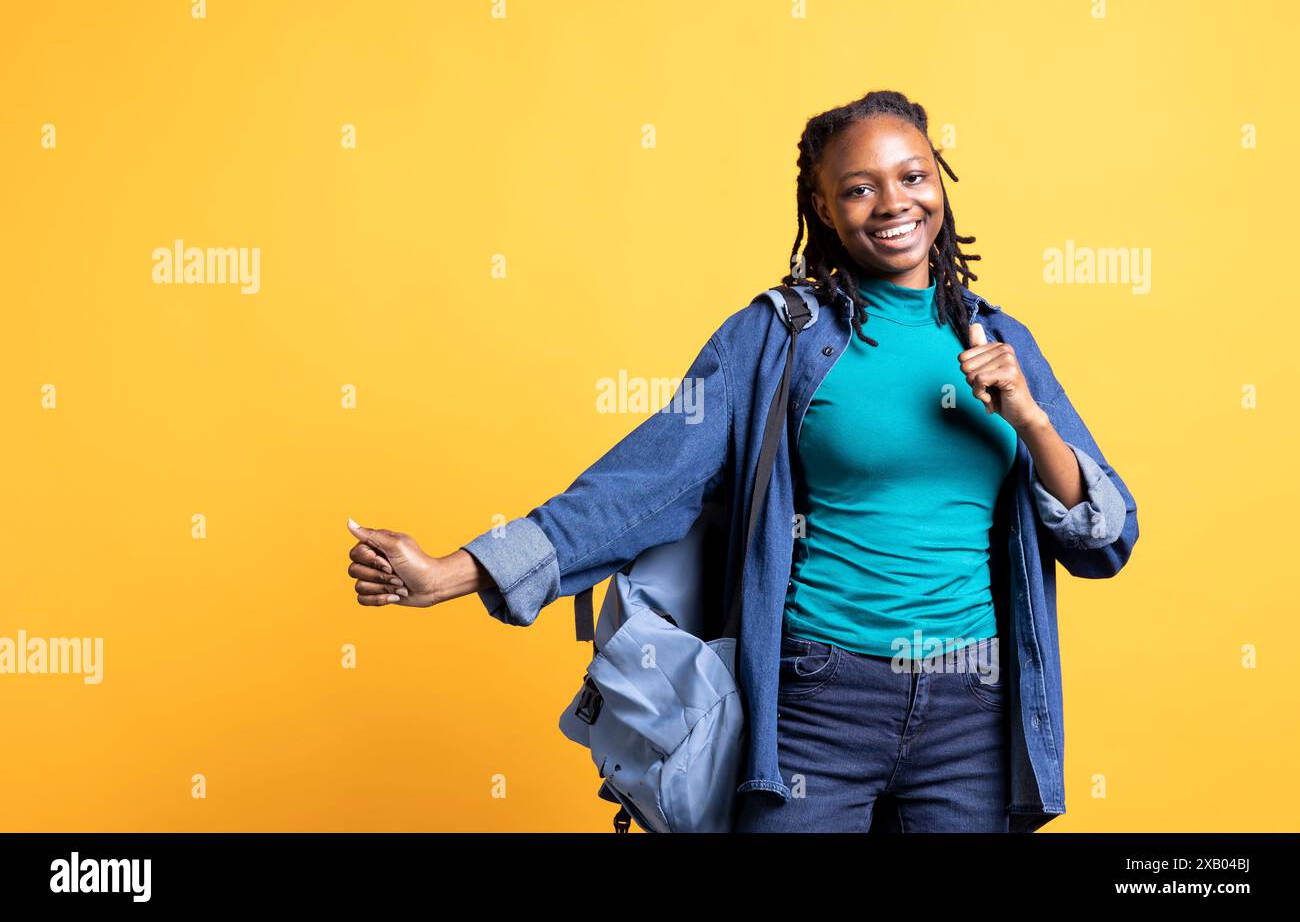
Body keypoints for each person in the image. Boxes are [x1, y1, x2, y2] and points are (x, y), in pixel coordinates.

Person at [345, 89, 1138, 832]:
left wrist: (1030, 419)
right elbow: (640, 487)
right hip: (819, 702)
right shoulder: (773, 341)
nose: (894, 204)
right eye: (859, 188)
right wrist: (457, 571)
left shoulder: (1001, 343)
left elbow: (1103, 542)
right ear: (823, 208)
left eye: (912, 176)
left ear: (941, 184)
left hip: (977, 710)